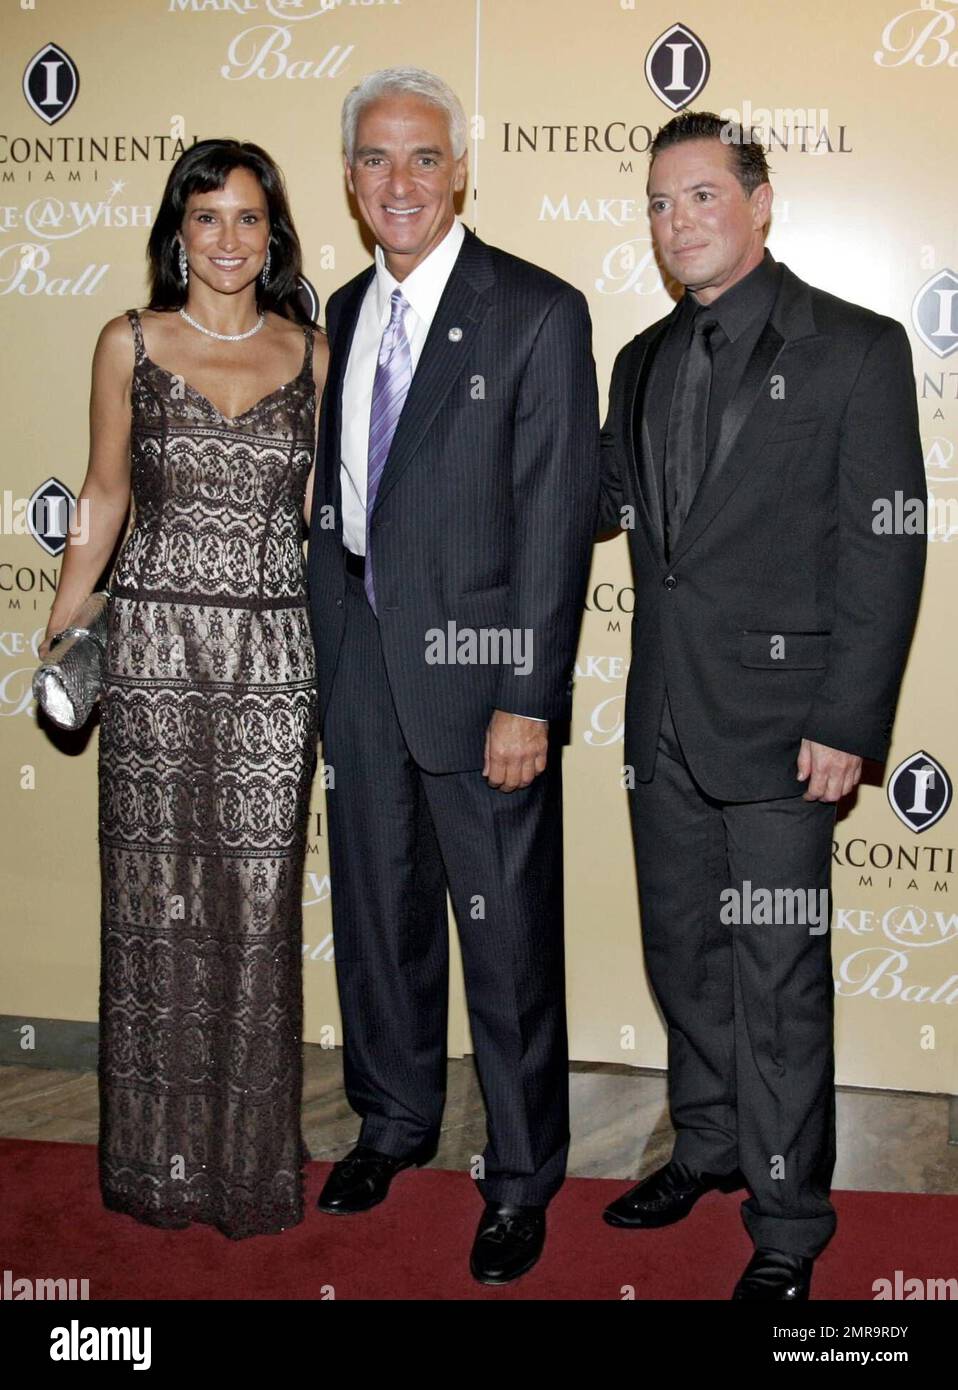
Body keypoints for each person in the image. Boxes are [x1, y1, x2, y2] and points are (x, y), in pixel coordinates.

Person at [596, 112, 926, 1299]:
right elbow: (592, 502)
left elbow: (885, 550)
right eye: (655, 202)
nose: (674, 221)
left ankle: (788, 1216)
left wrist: (848, 720)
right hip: (664, 726)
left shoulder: (855, 347)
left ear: (760, 199)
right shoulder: (635, 361)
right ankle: (708, 1143)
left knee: (775, 970)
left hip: (792, 733)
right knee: (681, 948)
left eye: (697, 195)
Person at [307, 67, 600, 1284]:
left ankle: (522, 1176)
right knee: (376, 910)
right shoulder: (339, 306)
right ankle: (393, 1121)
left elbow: (554, 518)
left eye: (423, 158)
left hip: (485, 677)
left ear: (461, 170)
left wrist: (529, 694)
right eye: (376, 159)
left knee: (507, 937)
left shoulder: (535, 309)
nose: (400, 182)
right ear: (352, 178)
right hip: (362, 657)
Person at [40, 138, 329, 1239]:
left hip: (271, 666)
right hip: (155, 656)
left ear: (274, 235)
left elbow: (319, 528)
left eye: (248, 218)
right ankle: (155, 1169)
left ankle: (248, 1170)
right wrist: (61, 636)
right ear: (177, 231)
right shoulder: (129, 341)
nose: (226, 239)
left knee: (253, 915)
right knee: (154, 912)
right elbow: (104, 495)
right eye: (205, 217)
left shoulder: (315, 354)